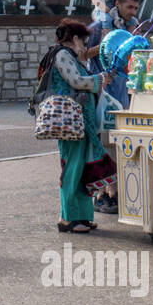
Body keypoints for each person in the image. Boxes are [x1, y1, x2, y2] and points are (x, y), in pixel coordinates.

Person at [45, 19, 111, 234]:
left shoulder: (68, 55)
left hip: (79, 122)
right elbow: (76, 81)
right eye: (83, 42)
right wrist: (99, 79)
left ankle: (82, 216)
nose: (84, 47)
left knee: (81, 168)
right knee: (72, 168)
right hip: (70, 123)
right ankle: (68, 218)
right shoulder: (62, 54)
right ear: (74, 39)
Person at [86, 0, 140, 216]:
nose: (133, 12)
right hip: (104, 97)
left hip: (122, 94)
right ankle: (105, 193)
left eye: (136, 8)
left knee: (120, 145)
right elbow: (82, 54)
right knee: (106, 146)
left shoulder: (131, 26)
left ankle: (116, 191)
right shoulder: (98, 27)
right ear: (117, 4)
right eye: (129, 7)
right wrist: (108, 45)